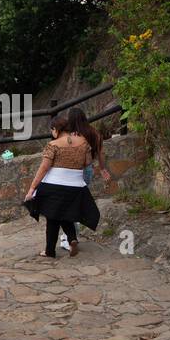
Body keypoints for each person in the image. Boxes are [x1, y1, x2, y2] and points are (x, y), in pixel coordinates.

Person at [24, 113, 101, 259]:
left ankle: (49, 251)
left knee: (52, 218)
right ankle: (72, 238)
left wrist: (32, 188)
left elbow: (43, 168)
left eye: (51, 130)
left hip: (54, 186)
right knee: (65, 214)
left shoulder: (53, 145)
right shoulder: (83, 142)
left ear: (55, 129)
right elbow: (87, 162)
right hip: (76, 186)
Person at [58, 107, 111, 250]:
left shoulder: (72, 135)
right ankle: (71, 235)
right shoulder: (94, 133)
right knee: (76, 202)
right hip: (87, 171)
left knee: (68, 204)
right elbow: (101, 153)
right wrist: (102, 168)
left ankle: (69, 237)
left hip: (72, 171)